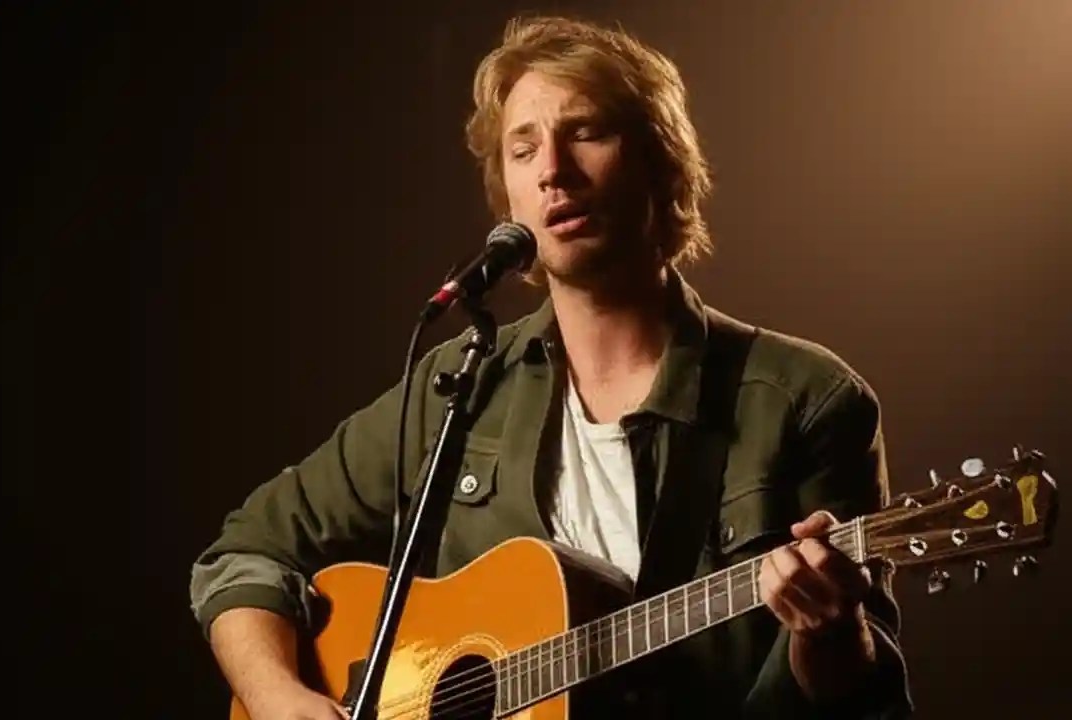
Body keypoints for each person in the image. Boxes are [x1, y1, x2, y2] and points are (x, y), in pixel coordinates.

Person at [190, 14, 914, 720]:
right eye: (523, 148)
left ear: (659, 162)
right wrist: (279, 699)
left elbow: (861, 698)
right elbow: (246, 551)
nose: (554, 172)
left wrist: (828, 632)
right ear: (505, 191)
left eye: (588, 132)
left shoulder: (806, 401)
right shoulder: (463, 386)